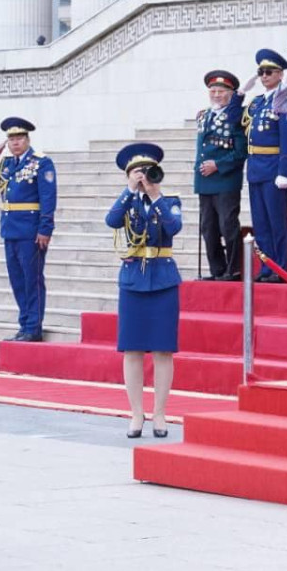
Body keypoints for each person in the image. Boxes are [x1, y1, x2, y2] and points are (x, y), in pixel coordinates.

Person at [105, 143, 183, 439]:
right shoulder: (128, 202)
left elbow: (174, 227)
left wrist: (154, 194)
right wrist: (130, 190)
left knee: (164, 349)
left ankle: (160, 412)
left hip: (162, 277)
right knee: (133, 348)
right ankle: (136, 412)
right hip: (134, 279)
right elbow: (111, 221)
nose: (145, 177)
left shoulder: (169, 200)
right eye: (139, 172)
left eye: (149, 172)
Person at [0, 117, 56, 342]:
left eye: (19, 138)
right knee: (17, 280)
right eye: (11, 138)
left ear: (27, 139)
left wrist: (45, 229)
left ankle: (33, 327)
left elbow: (48, 198)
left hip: (31, 230)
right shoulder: (6, 164)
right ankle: (24, 324)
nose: (15, 142)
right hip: (10, 229)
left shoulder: (41, 163)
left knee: (32, 279)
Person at [243, 49, 287, 282]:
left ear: (280, 74)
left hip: (274, 168)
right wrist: (239, 93)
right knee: (261, 223)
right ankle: (266, 267)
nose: (264, 76)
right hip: (255, 168)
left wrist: (285, 171)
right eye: (260, 72)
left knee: (276, 222)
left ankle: (280, 268)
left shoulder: (283, 99)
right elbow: (237, 119)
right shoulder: (257, 102)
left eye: (269, 72)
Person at [193, 70, 247, 282]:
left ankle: (232, 269)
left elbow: (241, 152)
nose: (216, 95)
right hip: (205, 181)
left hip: (225, 180)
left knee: (228, 225)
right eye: (213, 90)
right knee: (208, 228)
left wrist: (218, 165)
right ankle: (217, 269)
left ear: (231, 94)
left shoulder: (236, 117)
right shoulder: (204, 115)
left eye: (221, 91)